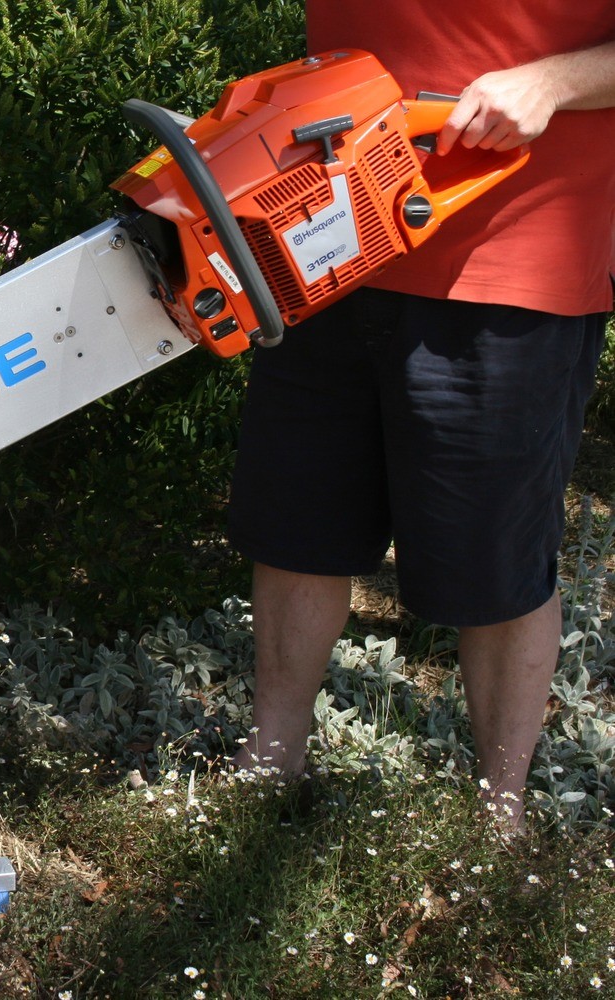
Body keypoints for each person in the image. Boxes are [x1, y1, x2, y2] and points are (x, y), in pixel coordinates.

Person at [227, 2, 615, 832]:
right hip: (324, 238)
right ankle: (268, 767)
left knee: (499, 566)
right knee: (298, 531)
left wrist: (554, 78)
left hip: (513, 262)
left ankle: (497, 818)